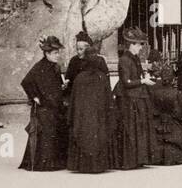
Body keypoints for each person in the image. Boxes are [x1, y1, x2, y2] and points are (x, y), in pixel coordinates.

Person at [66, 40, 116, 174]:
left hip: (82, 118)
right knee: (98, 137)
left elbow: (74, 101)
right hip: (98, 118)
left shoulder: (79, 78)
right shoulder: (102, 78)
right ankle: (98, 165)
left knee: (84, 137)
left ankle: (83, 166)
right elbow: (108, 101)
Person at [19, 35, 67, 171]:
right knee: (45, 134)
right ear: (46, 53)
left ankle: (54, 163)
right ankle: (43, 164)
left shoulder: (55, 67)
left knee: (55, 133)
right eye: (55, 53)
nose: (58, 55)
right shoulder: (39, 67)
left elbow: (56, 84)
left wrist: (62, 87)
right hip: (44, 108)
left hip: (54, 105)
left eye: (58, 52)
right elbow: (26, 82)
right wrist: (34, 97)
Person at [115, 27, 153, 169]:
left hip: (136, 98)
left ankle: (137, 159)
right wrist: (143, 81)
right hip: (128, 99)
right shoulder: (124, 60)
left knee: (137, 130)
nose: (140, 48)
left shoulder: (134, 58)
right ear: (131, 45)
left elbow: (137, 77)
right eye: (138, 45)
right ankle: (130, 160)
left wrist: (144, 78)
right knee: (130, 130)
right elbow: (126, 82)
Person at [147, 63, 182, 165]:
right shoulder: (176, 93)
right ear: (173, 79)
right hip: (173, 126)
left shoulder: (154, 92)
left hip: (158, 126)